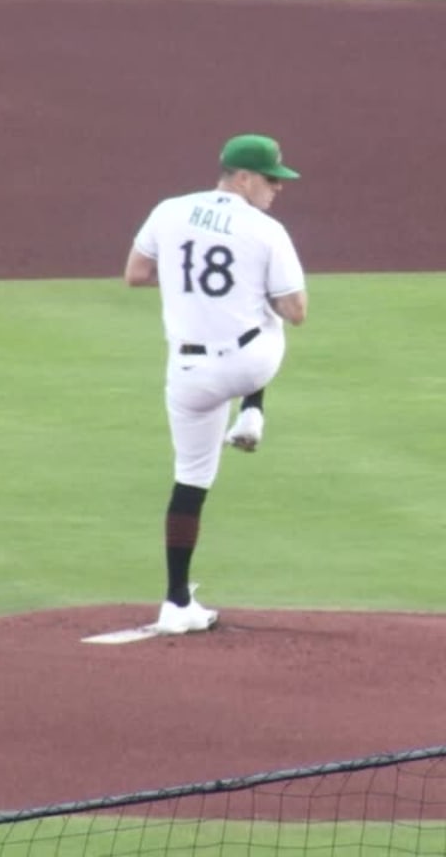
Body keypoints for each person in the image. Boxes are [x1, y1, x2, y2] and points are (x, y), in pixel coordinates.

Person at [123, 133, 309, 634]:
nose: (278, 188)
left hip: (186, 377)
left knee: (189, 481)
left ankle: (174, 602)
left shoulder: (170, 210)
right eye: (272, 179)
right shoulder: (266, 230)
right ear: (244, 178)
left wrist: (187, 284)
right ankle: (253, 411)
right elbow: (297, 312)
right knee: (268, 319)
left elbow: (136, 273)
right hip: (247, 365)